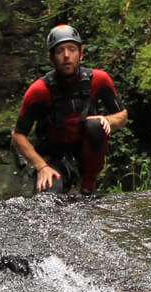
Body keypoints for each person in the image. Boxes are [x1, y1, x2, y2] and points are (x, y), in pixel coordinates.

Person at [10, 24, 128, 196]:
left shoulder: (99, 80)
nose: (66, 56)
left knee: (96, 125)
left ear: (81, 53)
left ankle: (87, 187)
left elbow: (123, 116)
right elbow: (18, 135)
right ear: (51, 58)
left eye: (72, 49)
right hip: (52, 157)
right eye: (60, 51)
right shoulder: (39, 91)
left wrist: (108, 120)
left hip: (87, 153)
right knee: (48, 198)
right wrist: (41, 166)